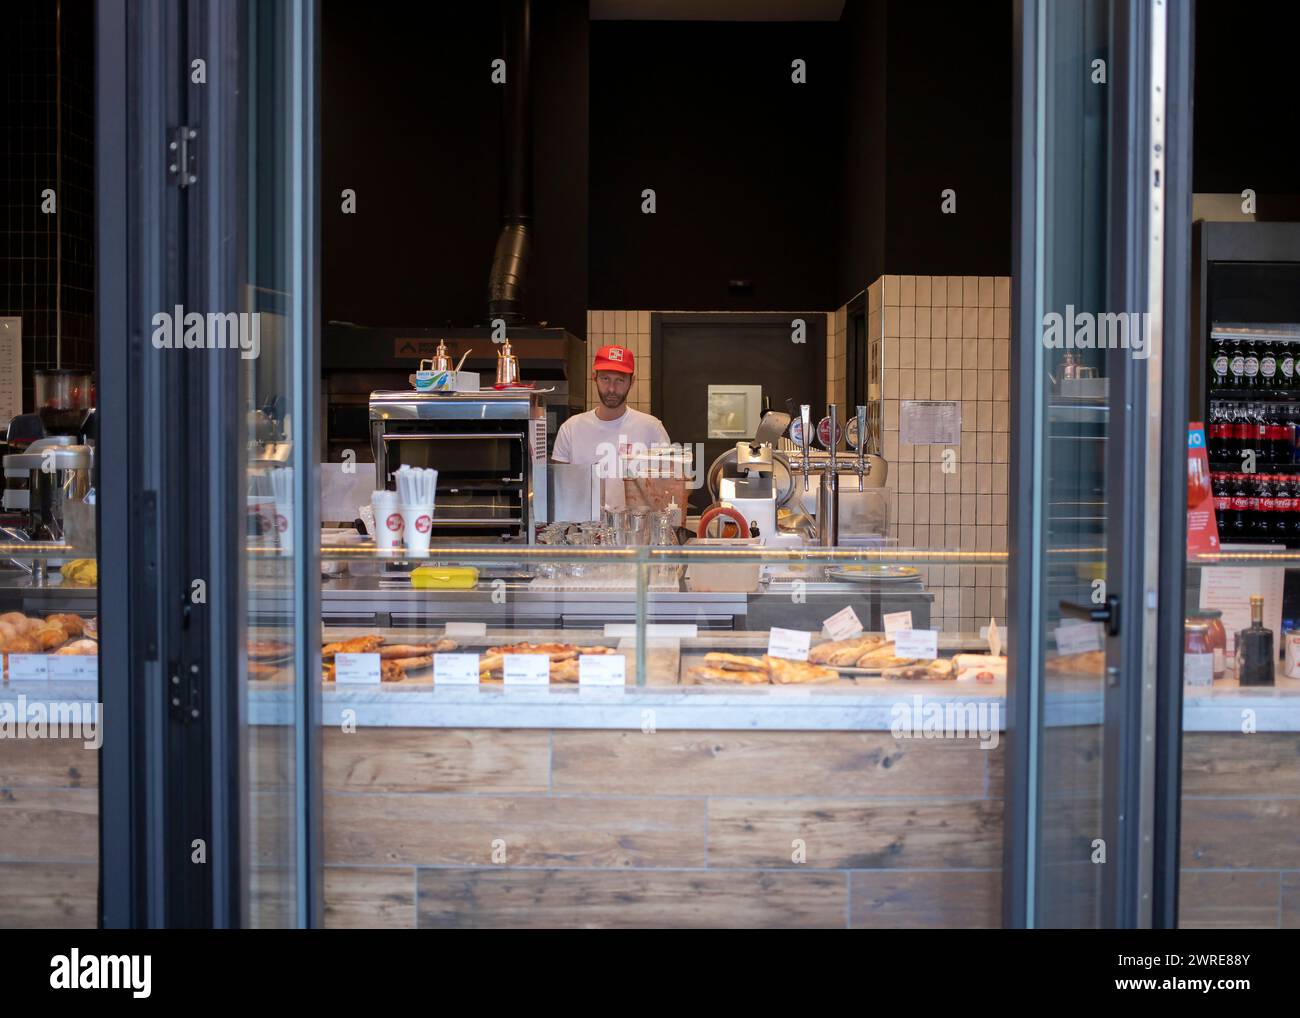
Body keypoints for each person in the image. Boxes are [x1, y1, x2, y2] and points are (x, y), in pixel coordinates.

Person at [551, 344, 669, 509]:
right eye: (605, 379)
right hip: (585, 531)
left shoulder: (652, 429)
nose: (612, 389)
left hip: (635, 530)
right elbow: (559, 489)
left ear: (632, 381)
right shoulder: (571, 429)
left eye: (620, 380)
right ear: (594, 377)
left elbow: (670, 487)